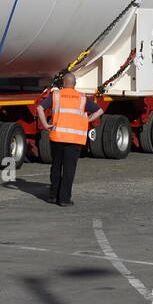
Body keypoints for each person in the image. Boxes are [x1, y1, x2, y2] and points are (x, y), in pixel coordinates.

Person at [37, 72, 103, 207]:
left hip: (57, 137)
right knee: (69, 169)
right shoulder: (82, 98)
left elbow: (39, 107)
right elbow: (100, 110)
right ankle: (64, 199)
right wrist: (87, 120)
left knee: (56, 167)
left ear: (63, 83)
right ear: (75, 84)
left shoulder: (56, 96)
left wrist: (45, 124)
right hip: (74, 139)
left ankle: (53, 196)